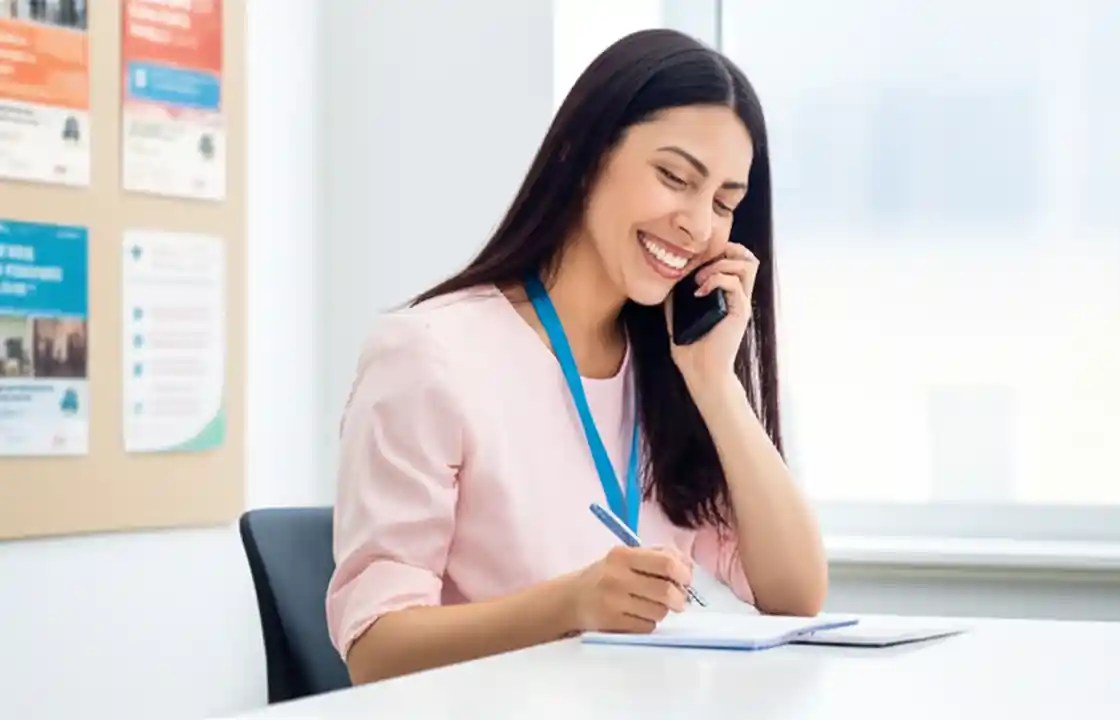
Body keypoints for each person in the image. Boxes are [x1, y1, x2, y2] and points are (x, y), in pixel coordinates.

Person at [326, 28, 828, 685]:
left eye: (725, 203)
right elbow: (375, 649)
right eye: (674, 177)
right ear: (582, 156)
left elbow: (794, 593)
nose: (699, 224)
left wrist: (716, 384)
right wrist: (569, 606)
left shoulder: (669, 372)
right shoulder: (430, 355)